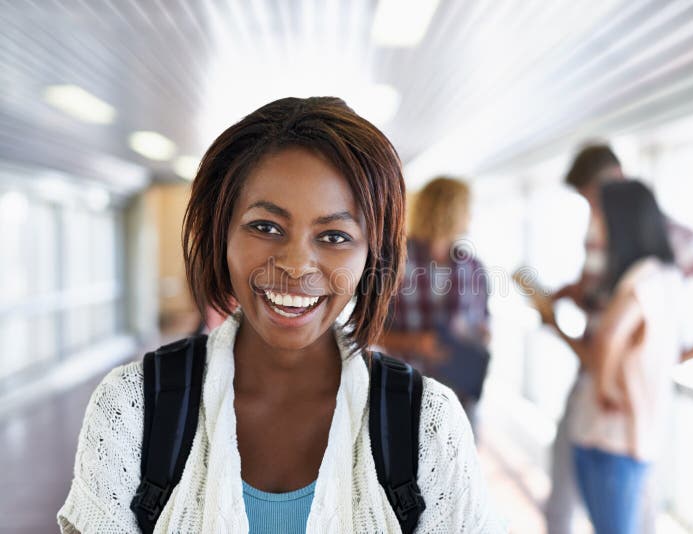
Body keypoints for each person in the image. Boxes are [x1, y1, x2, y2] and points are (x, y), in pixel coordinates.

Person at [57, 97, 505, 533]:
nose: (295, 265)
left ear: (373, 255)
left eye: (333, 235)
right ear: (221, 234)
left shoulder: (429, 425)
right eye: (266, 227)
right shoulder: (133, 410)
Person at [542, 144, 693, 534]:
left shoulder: (655, 267)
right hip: (608, 407)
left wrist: (676, 357)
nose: (594, 211)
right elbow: (599, 311)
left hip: (617, 419)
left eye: (598, 201)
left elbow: (607, 339)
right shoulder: (643, 267)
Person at [379, 177, 491, 429]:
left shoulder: (474, 268)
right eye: (467, 209)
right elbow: (368, 331)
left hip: (461, 394)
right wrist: (415, 343)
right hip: (408, 393)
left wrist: (481, 335)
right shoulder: (393, 262)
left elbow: (484, 321)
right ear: (451, 210)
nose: (470, 216)